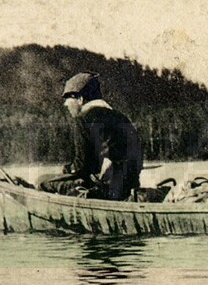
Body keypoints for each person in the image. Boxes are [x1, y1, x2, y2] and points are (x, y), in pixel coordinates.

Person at [38, 72, 143, 201]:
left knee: (42, 182)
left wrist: (66, 170)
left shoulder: (83, 119)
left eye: (68, 99)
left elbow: (81, 166)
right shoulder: (121, 117)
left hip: (103, 191)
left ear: (80, 99)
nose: (65, 104)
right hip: (129, 188)